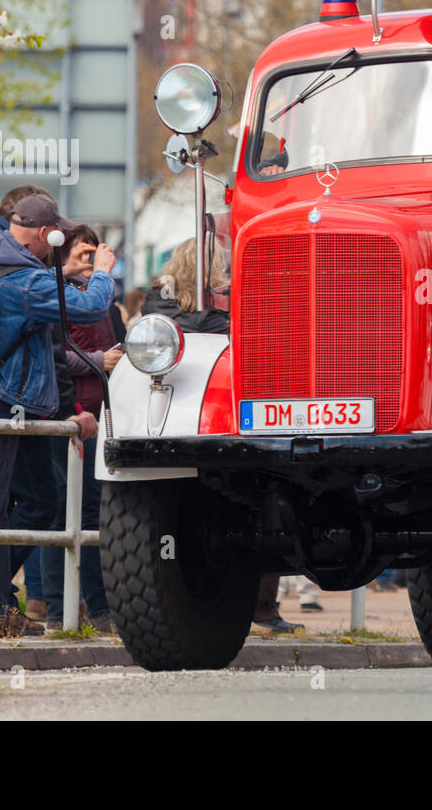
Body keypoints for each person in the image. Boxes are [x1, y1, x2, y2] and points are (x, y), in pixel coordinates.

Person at [0, 194, 114, 638]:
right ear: (44, 235)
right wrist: (104, 273)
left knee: (38, 501)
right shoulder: (25, 281)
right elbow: (91, 307)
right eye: (56, 237)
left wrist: (63, 272)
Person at [145, 237, 302, 633]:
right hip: (233, 412)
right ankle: (264, 608)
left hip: (175, 420)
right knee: (264, 502)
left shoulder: (156, 306)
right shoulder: (233, 305)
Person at [38, 225, 122, 634]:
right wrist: (98, 359)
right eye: (83, 253)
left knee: (90, 513)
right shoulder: (60, 296)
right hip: (68, 415)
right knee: (62, 514)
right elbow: (54, 354)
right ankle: (62, 610)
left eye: (95, 253)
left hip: (98, 417)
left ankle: (88, 606)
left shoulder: (103, 301)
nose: (92, 261)